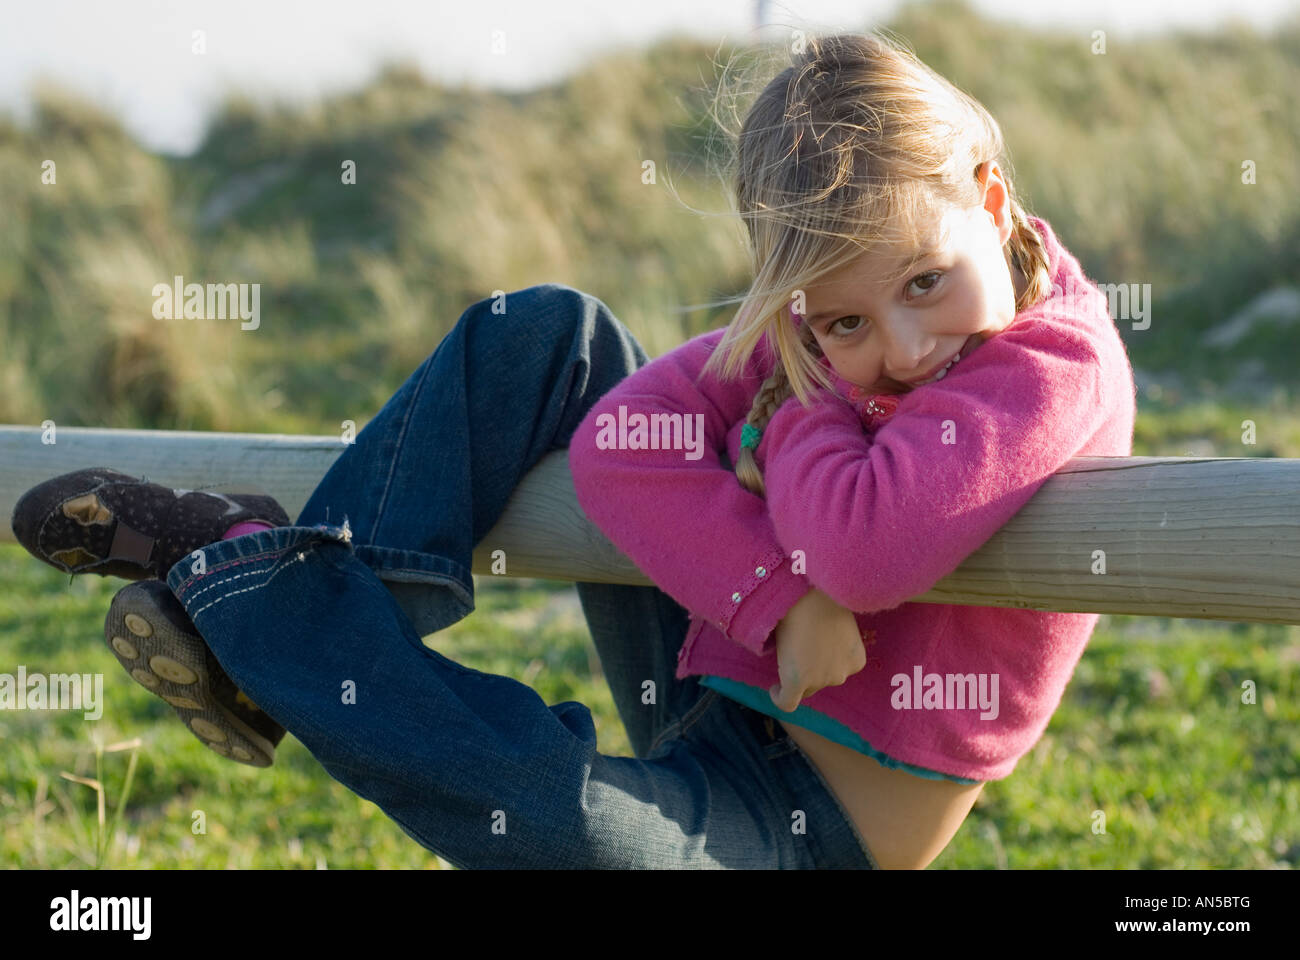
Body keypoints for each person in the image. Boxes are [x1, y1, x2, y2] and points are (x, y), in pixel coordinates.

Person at [12, 30, 1134, 869]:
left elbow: (862, 549)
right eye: (840, 320)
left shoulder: (1049, 366)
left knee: (552, 823)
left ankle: (264, 606)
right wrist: (771, 593)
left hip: (803, 841)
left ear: (990, 200)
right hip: (715, 681)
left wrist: (794, 410)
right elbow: (616, 447)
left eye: (924, 284)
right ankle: (291, 598)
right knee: (546, 335)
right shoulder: (822, 329)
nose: (896, 347)